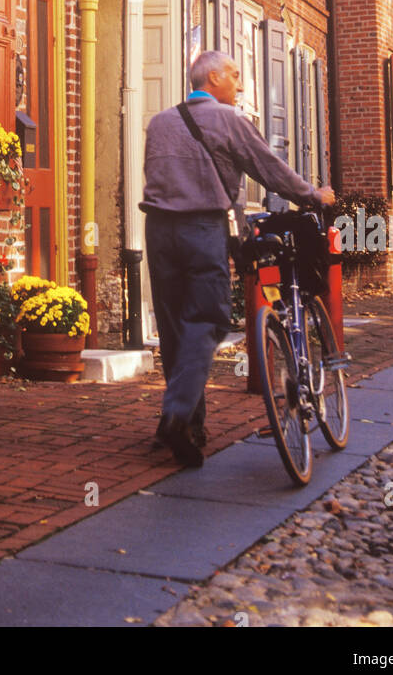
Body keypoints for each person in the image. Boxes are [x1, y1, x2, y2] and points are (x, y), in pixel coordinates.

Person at [141, 50, 335, 468]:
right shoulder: (230, 121)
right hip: (202, 228)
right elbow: (270, 169)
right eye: (234, 75)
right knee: (207, 320)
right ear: (212, 78)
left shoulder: (158, 124)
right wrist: (312, 195)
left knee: (174, 326)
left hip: (157, 230)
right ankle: (177, 413)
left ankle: (186, 423)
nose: (241, 85)